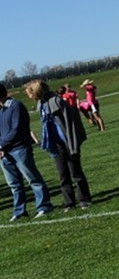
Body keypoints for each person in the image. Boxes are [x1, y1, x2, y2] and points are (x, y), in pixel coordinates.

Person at [24, 80, 93, 212]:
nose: (28, 96)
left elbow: (71, 121)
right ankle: (69, 203)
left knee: (75, 172)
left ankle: (84, 200)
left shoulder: (56, 101)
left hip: (68, 141)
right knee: (63, 174)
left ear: (36, 91)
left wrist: (73, 141)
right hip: (56, 144)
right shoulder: (41, 104)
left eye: (29, 93)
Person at [0, 84, 54, 221]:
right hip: (5, 153)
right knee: (14, 184)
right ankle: (19, 211)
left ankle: (43, 206)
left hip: (19, 148)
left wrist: (1, 145)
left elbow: (16, 129)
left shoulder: (15, 106)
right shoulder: (0, 110)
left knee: (33, 179)